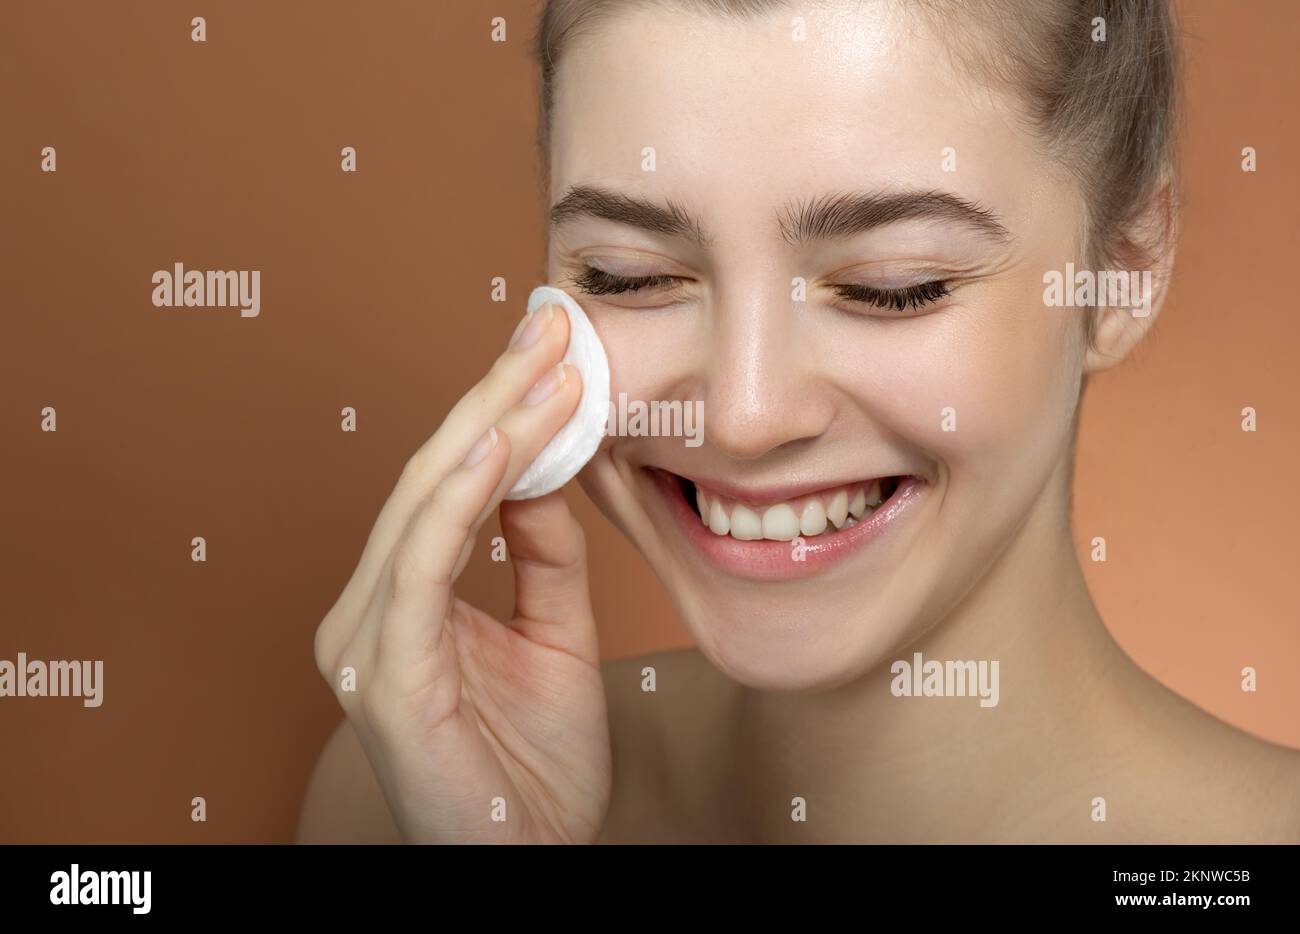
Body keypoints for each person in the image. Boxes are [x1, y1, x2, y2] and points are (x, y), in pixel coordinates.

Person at [298, 0, 1300, 843]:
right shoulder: (414, 785)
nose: (743, 414)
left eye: (890, 287)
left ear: (1121, 270)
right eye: (628, 277)